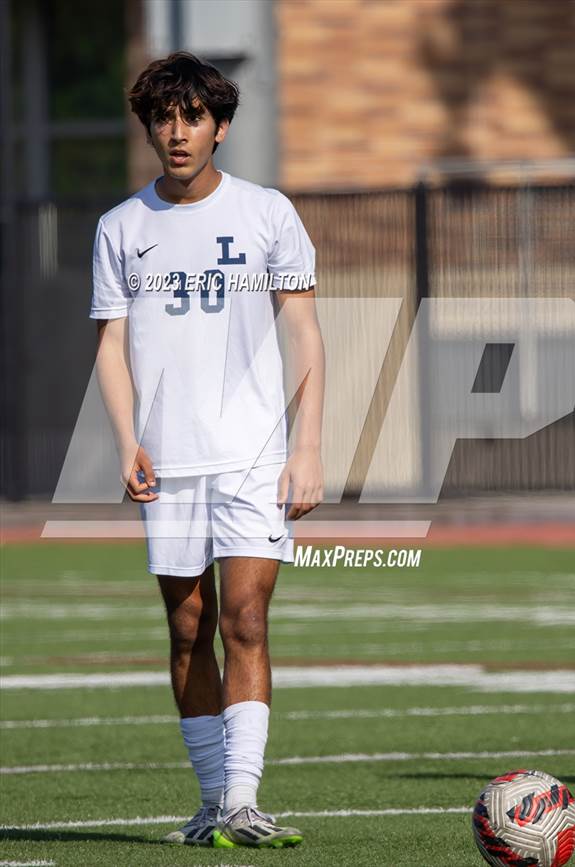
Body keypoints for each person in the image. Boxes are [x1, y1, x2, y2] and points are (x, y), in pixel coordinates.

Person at [91, 51, 324, 850]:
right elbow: (112, 344)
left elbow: (304, 333)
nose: (176, 131)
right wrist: (126, 443)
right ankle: (213, 800)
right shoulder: (120, 227)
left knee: (245, 618)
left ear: (220, 127)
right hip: (170, 459)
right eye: (163, 116)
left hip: (254, 456)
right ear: (150, 127)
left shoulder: (267, 213)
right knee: (186, 627)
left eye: (192, 116)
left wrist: (310, 447)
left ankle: (245, 801)